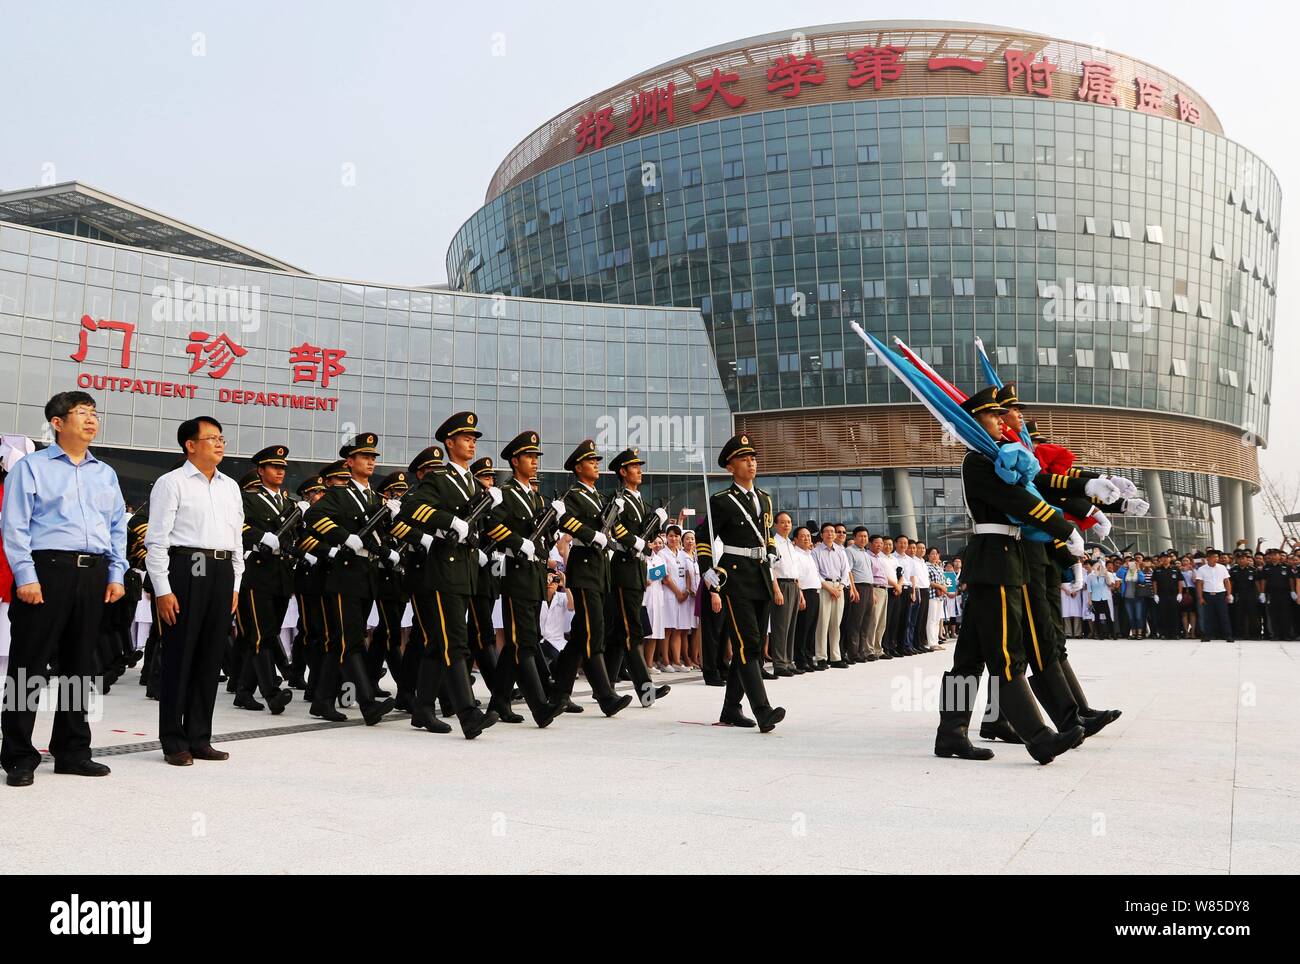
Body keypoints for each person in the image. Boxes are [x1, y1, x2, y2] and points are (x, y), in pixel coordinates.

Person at [933, 386, 1085, 764]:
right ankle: (1038, 736)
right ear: (974, 422)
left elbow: (1030, 488)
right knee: (1006, 652)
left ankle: (950, 733)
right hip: (995, 561)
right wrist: (1061, 527)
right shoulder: (978, 461)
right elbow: (1018, 500)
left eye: (1003, 415)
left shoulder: (993, 457)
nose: (1003, 422)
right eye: (993, 416)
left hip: (1002, 559)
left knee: (968, 657)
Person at [1, 393, 126, 785]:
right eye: (82, 414)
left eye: (94, 413)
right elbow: (15, 526)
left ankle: (72, 749)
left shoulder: (104, 473)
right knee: (29, 667)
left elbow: (118, 527)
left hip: (92, 575)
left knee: (80, 667)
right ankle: (18, 754)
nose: (91, 420)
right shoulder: (32, 468)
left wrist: (116, 574)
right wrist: (26, 576)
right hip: (47, 571)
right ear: (57, 422)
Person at [390, 413, 499, 737]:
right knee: (456, 642)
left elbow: (476, 526)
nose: (472, 442)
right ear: (449, 443)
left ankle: (422, 709)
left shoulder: (471, 482)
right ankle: (468, 713)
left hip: (464, 571)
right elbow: (412, 508)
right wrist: (448, 521)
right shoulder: (439, 478)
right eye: (466, 437)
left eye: (474, 438)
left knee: (438, 645)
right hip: (443, 571)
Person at [145, 416, 244, 766]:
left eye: (222, 438)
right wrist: (162, 589)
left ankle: (200, 736)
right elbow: (156, 540)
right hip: (187, 568)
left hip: (220, 571)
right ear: (190, 444)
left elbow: (237, 540)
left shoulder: (230, 486)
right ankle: (174, 740)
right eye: (211, 438)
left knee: (209, 659)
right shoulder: (171, 483)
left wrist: (235, 584)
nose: (219, 444)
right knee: (180, 657)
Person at [299, 432, 398, 728]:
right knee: (352, 641)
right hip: (345, 576)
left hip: (368, 575)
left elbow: (379, 535)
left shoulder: (374, 498)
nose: (370, 462)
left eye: (372, 458)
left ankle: (322, 701)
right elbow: (313, 517)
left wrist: (387, 548)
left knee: (338, 642)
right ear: (349, 462)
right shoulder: (339, 493)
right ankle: (368, 704)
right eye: (364, 457)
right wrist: (345, 537)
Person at [694, 433, 785, 732]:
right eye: (744, 459)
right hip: (734, 576)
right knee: (747, 644)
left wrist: (771, 554)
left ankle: (731, 708)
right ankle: (763, 710)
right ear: (730, 466)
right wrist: (709, 576)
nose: (751, 462)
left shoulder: (765, 499)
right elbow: (704, 540)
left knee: (753, 646)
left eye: (753, 458)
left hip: (759, 574)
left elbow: (768, 536)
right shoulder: (721, 501)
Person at [480, 430, 560, 727]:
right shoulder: (507, 493)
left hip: (534, 575)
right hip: (516, 574)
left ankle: (499, 702)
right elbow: (492, 526)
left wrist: (553, 521)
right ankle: (541, 707)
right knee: (524, 642)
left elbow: (545, 539)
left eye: (536, 457)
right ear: (515, 461)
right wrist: (517, 542)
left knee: (515, 645)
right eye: (529, 457)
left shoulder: (536, 497)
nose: (535, 461)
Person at [232, 444, 297, 715]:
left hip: (281, 576)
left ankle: (244, 692)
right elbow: (237, 524)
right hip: (256, 574)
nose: (280, 471)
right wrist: (260, 537)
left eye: (282, 467)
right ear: (260, 471)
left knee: (267, 635)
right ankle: (271, 692)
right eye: (274, 467)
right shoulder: (246, 499)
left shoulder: (289, 503)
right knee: (259, 635)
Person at [602, 447, 670, 705]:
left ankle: (604, 687)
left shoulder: (641, 499)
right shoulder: (616, 498)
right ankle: (645, 689)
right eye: (634, 467)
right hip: (623, 567)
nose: (639, 470)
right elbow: (614, 526)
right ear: (622, 471)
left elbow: (646, 534)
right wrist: (636, 542)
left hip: (637, 569)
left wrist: (658, 525)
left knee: (620, 632)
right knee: (633, 629)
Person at [812, 523, 851, 669]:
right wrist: (830, 589)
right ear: (822, 535)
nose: (830, 534)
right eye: (827, 532)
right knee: (822, 624)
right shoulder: (816, 552)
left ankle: (835, 657)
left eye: (832, 532)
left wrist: (840, 588)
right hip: (824, 588)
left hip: (838, 589)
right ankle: (821, 656)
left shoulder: (840, 552)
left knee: (836, 624)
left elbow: (846, 572)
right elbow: (816, 573)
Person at [791, 526, 820, 672]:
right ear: (795, 540)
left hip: (815, 593)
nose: (807, 538)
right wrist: (800, 594)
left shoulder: (810, 554)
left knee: (811, 629)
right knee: (802, 628)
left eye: (808, 536)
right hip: (804, 593)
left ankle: (809, 657)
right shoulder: (795, 554)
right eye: (803, 536)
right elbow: (796, 577)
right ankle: (800, 660)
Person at [1195, 549, 1234, 643]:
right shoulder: (1201, 569)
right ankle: (1207, 635)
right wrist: (1200, 597)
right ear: (1208, 558)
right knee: (1208, 616)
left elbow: (1227, 582)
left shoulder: (1222, 568)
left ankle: (1228, 635)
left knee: (1224, 616)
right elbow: (1199, 584)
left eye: (1217, 557)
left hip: (1220, 594)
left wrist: (1229, 594)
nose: (1216, 559)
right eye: (1214, 557)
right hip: (1207, 594)